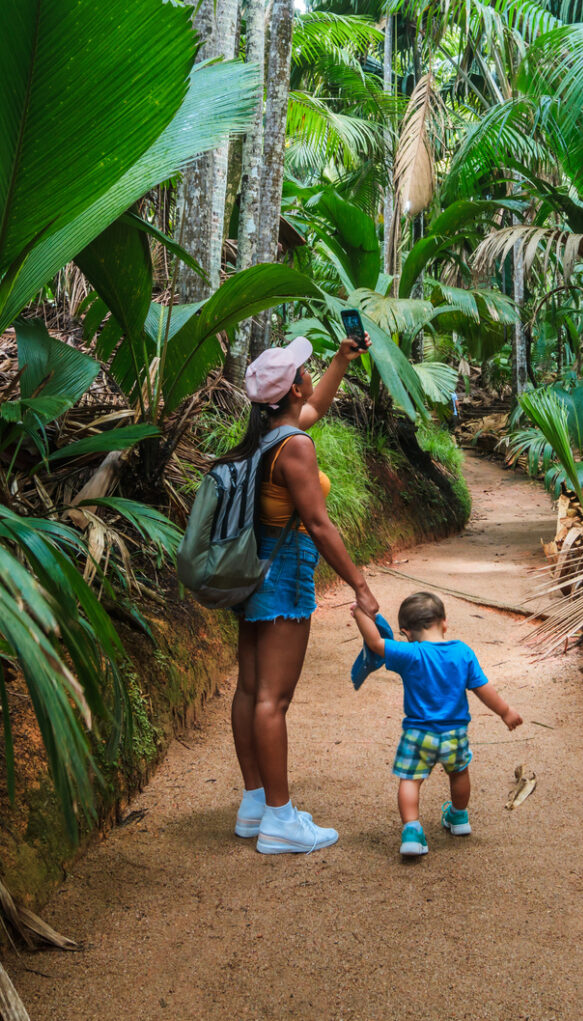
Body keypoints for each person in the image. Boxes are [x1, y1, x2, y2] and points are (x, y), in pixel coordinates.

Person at [218, 332, 381, 854]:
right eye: (302, 373)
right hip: (283, 573)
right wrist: (360, 585)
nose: (308, 379)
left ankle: (255, 803)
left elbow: (314, 408)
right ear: (290, 390)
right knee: (274, 698)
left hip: (252, 568)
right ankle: (281, 822)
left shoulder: (266, 439)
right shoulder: (296, 450)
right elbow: (320, 523)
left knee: (249, 690)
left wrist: (339, 361)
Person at [351, 591, 523, 858]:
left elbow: (375, 642)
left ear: (406, 632)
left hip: (419, 734)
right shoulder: (462, 652)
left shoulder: (409, 653)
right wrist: (506, 711)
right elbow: (483, 688)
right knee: (459, 773)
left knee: (410, 779)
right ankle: (459, 817)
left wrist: (360, 613)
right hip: (454, 734)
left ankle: (411, 830)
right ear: (444, 622)